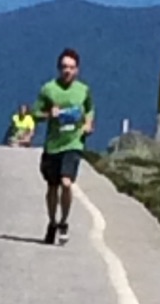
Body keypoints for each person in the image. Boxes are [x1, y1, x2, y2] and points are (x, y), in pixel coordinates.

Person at [34, 48, 94, 246]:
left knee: (66, 183)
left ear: (77, 70)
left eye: (71, 67)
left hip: (73, 143)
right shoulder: (48, 89)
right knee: (52, 187)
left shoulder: (83, 90)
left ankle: (64, 221)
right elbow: (35, 114)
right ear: (59, 68)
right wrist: (48, 114)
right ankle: (52, 222)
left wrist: (88, 124)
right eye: (64, 67)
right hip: (53, 146)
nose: (67, 71)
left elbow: (90, 109)